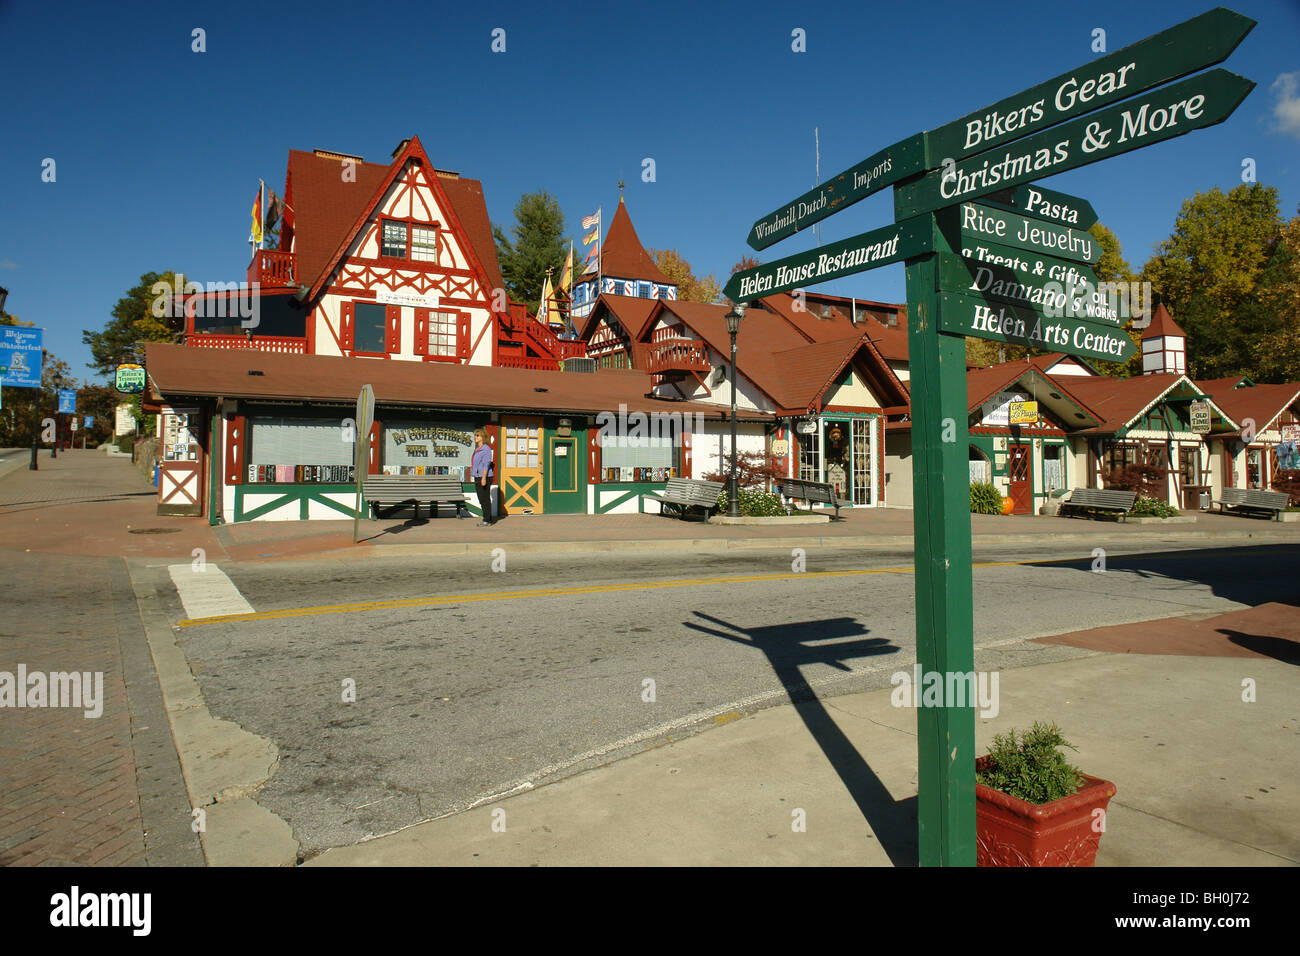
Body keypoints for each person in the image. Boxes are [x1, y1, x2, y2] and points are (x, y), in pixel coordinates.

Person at [470, 428, 496, 526]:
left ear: (483, 437)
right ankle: (487, 519)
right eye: (475, 435)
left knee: (484, 499)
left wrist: (484, 478)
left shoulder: (486, 449)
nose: (475, 437)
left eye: (478, 436)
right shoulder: (477, 449)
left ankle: (487, 520)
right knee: (481, 499)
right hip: (478, 476)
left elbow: (486, 464)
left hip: (484, 476)